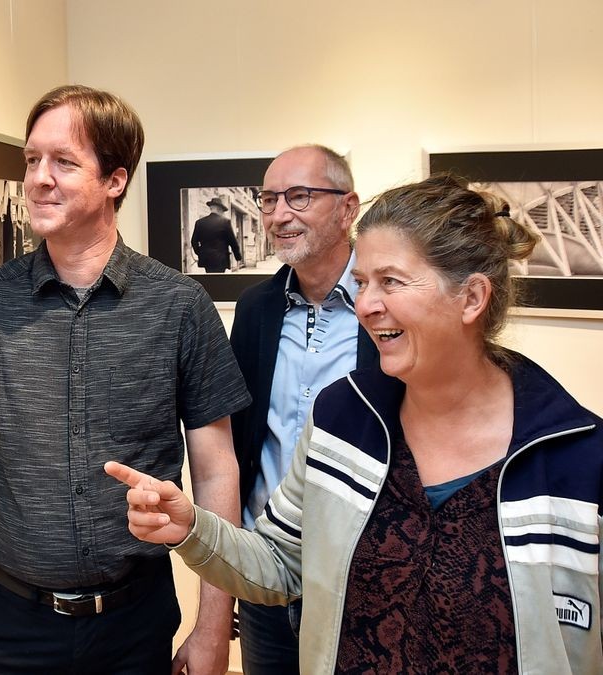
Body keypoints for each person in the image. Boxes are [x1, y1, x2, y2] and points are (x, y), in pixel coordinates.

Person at [107, 173, 603, 673]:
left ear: (472, 298)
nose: (365, 305)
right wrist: (191, 527)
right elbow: (280, 563)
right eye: (362, 282)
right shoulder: (342, 417)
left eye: (391, 281)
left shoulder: (578, 460)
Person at [0, 85, 250, 674]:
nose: (39, 177)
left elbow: (217, 468)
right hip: (9, 621)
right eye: (31, 159)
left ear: (115, 180)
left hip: (135, 621)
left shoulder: (179, 307)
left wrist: (212, 627)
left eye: (63, 161)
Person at [228, 144, 373, 673]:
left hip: (362, 577)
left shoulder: (385, 306)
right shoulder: (255, 310)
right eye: (268, 200)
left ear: (347, 207)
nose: (279, 215)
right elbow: (241, 439)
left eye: (299, 197)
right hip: (268, 576)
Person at [190, 197, 241, 272]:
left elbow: (194, 241)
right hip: (221, 259)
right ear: (219, 209)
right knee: (220, 280)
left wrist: (201, 253)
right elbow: (233, 242)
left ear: (211, 208)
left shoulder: (199, 222)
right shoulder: (225, 222)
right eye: (222, 211)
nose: (223, 213)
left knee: (210, 279)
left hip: (206, 259)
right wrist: (238, 257)